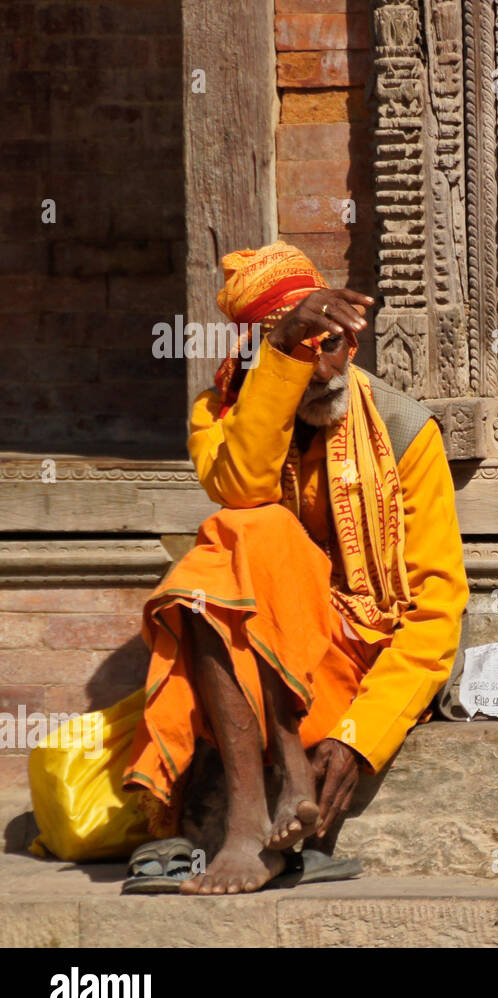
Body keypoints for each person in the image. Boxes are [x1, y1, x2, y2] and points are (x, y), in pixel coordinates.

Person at [124, 242, 468, 894]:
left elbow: (436, 608)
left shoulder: (404, 429)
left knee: (225, 551)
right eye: (297, 349)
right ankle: (255, 812)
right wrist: (278, 362)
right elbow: (243, 486)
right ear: (262, 357)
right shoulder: (219, 415)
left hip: (351, 667)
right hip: (254, 661)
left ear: (352, 346)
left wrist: (360, 736)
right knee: (240, 530)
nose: (320, 367)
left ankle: (245, 809)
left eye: (330, 345)